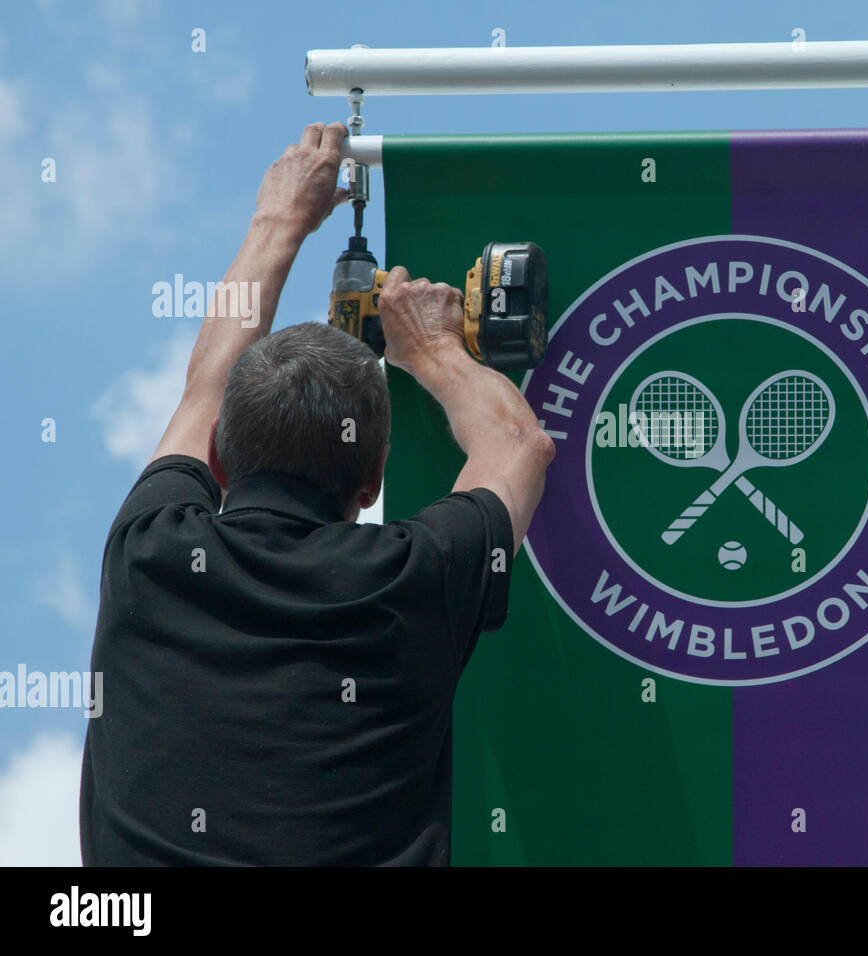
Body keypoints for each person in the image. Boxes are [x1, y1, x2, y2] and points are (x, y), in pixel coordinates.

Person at [79, 122, 554, 865]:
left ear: (221, 464)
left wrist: (279, 219)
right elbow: (519, 447)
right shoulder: (411, 578)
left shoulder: (150, 551)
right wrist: (432, 351)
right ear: (370, 484)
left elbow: (207, 386)